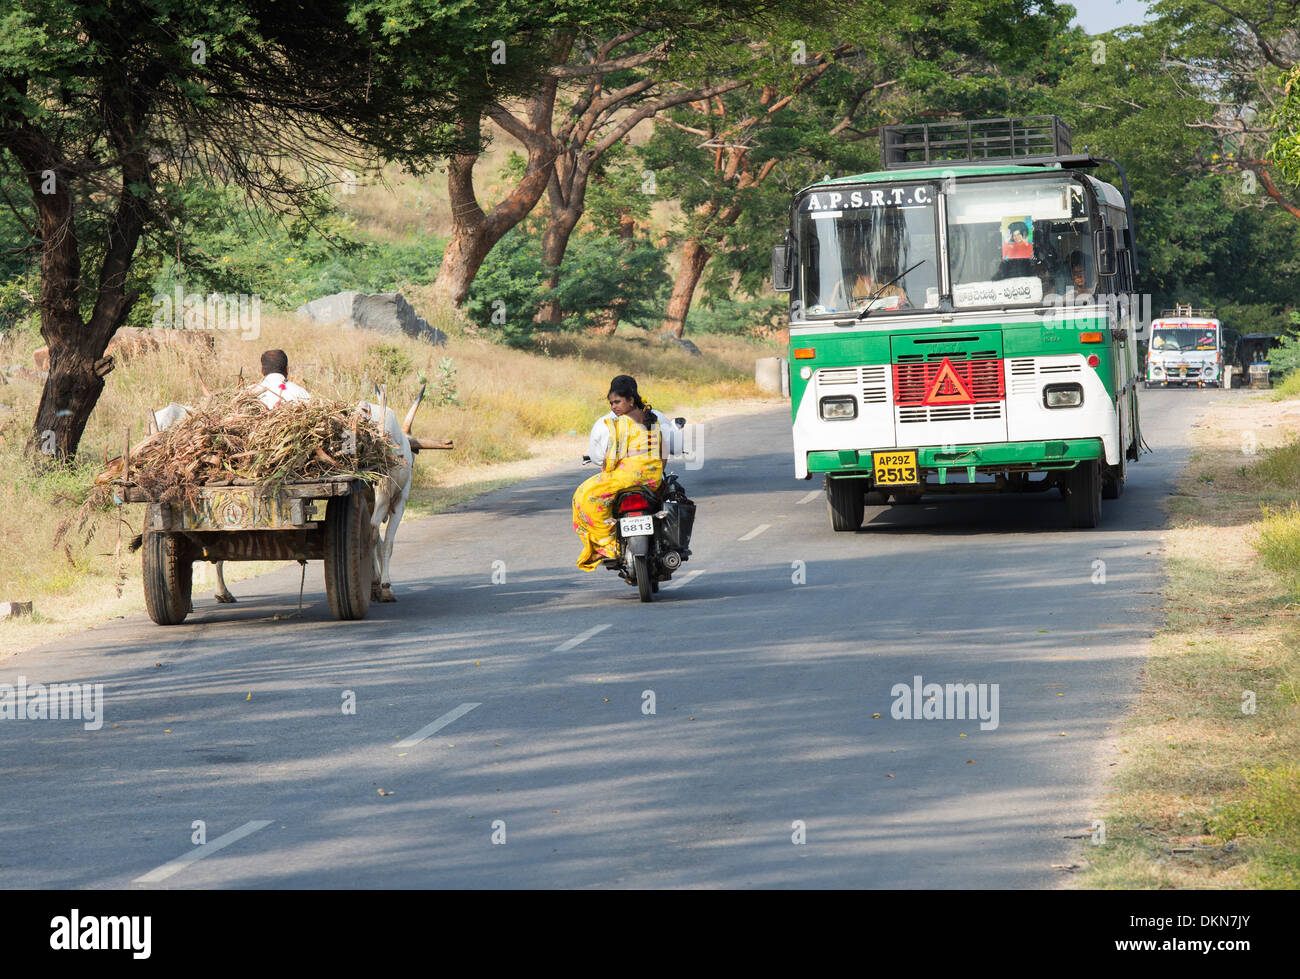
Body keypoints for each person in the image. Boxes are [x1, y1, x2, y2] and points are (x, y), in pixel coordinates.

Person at [572, 376, 666, 572]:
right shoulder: (652, 419)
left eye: (617, 401)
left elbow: (612, 458)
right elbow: (663, 455)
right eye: (611, 403)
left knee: (584, 495)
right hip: (652, 478)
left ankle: (607, 545)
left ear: (630, 400)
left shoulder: (623, 422)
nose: (614, 407)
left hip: (629, 476)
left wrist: (606, 469)